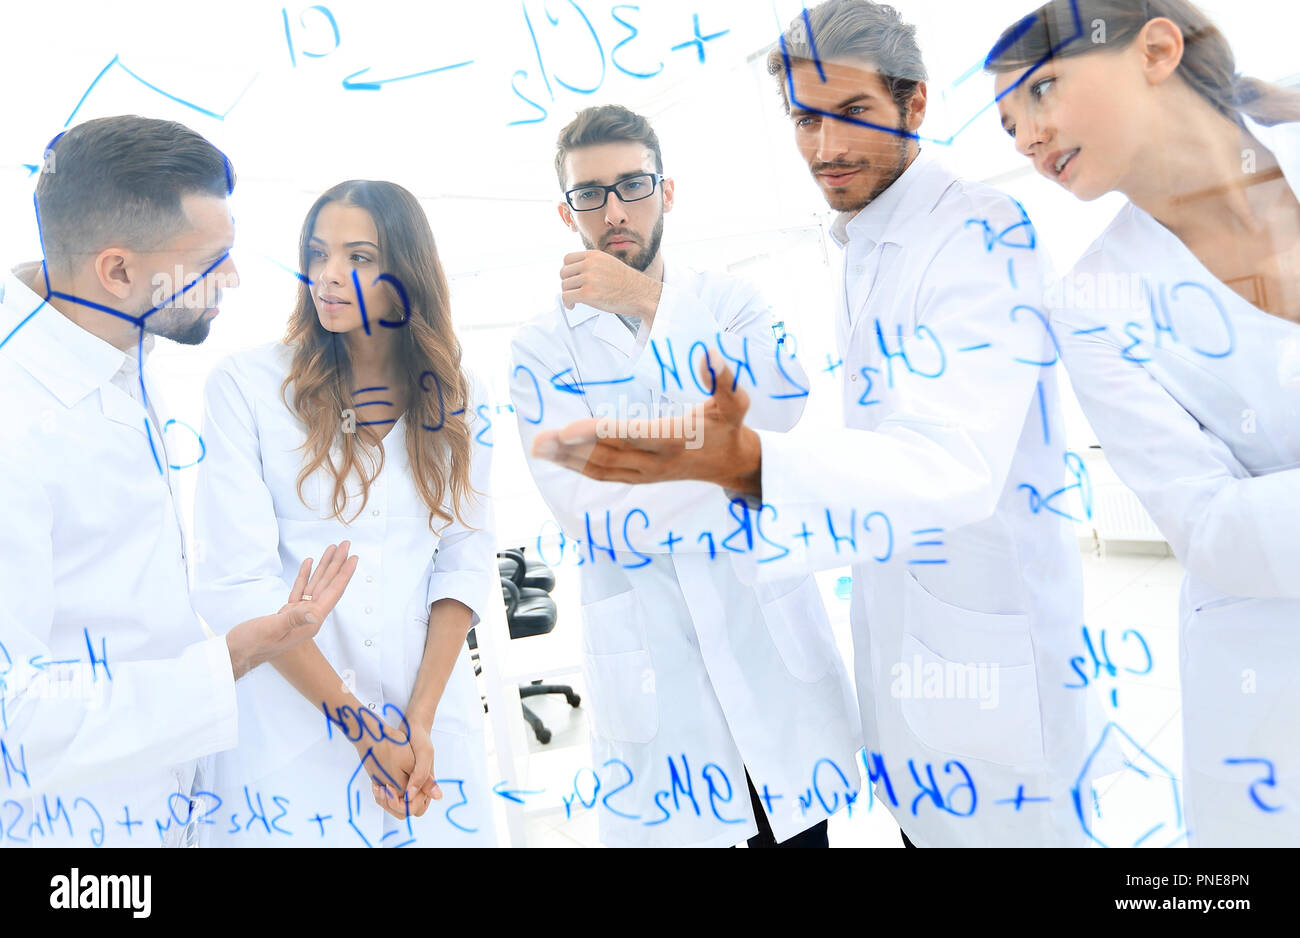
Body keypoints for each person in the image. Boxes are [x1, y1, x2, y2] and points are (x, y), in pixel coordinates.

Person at [533, 3, 1097, 847]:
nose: (825, 148)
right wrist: (723, 469)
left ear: (915, 105)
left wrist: (736, 460)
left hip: (986, 675)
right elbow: (591, 506)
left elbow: (935, 459)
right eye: (804, 119)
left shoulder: (977, 234)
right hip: (899, 667)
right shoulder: (863, 244)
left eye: (855, 113)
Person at [987, 0, 1300, 847]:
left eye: (1042, 92)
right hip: (1273, 669)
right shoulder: (1091, 299)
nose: (1023, 139)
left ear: (1157, 48)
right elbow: (1211, 529)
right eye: (1009, 125)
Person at [0, 115, 356, 848]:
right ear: (118, 270)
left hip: (162, 809)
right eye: (210, 260)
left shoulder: (110, 345)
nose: (231, 278)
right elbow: (14, 719)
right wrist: (235, 656)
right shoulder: (18, 424)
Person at [511, 105, 861, 848]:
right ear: (564, 210)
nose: (612, 211)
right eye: (589, 193)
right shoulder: (541, 349)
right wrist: (735, 467)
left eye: (632, 185)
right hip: (658, 681)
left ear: (668, 192)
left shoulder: (732, 301)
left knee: (798, 837)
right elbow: (594, 511)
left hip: (769, 654)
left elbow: (783, 407)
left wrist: (648, 304)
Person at [190, 180, 498, 847]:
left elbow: (464, 563)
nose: (329, 276)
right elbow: (238, 583)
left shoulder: (457, 395)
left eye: (358, 257)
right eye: (317, 253)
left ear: (405, 271)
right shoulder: (246, 386)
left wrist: (415, 721)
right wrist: (362, 728)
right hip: (291, 726)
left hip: (426, 727)